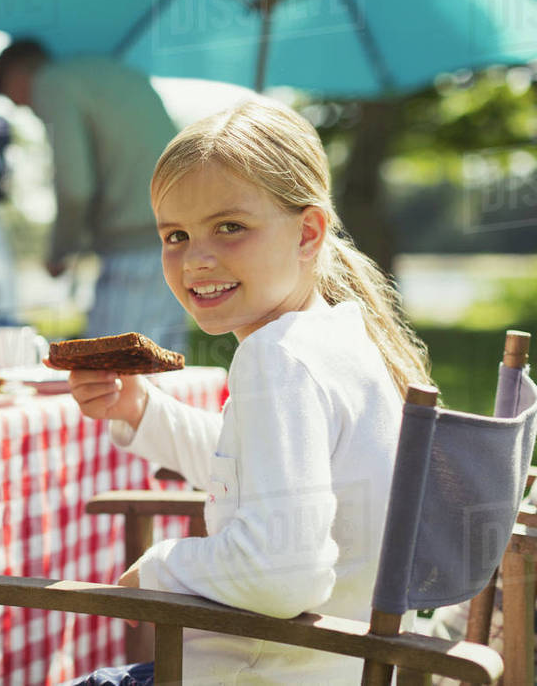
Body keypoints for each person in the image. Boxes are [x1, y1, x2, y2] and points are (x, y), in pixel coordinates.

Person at [64, 98, 432, 685]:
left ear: (308, 233)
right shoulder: (340, 336)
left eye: (229, 226)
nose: (197, 259)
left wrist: (160, 565)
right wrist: (143, 411)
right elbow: (263, 470)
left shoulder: (276, 358)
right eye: (176, 235)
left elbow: (282, 573)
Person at [0, 40, 185, 350]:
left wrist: (58, 253)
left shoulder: (51, 82)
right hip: (176, 238)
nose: (24, 109)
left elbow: (75, 188)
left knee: (113, 374)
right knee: (166, 372)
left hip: (135, 250)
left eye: (14, 100)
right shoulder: (108, 74)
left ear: (17, 75)